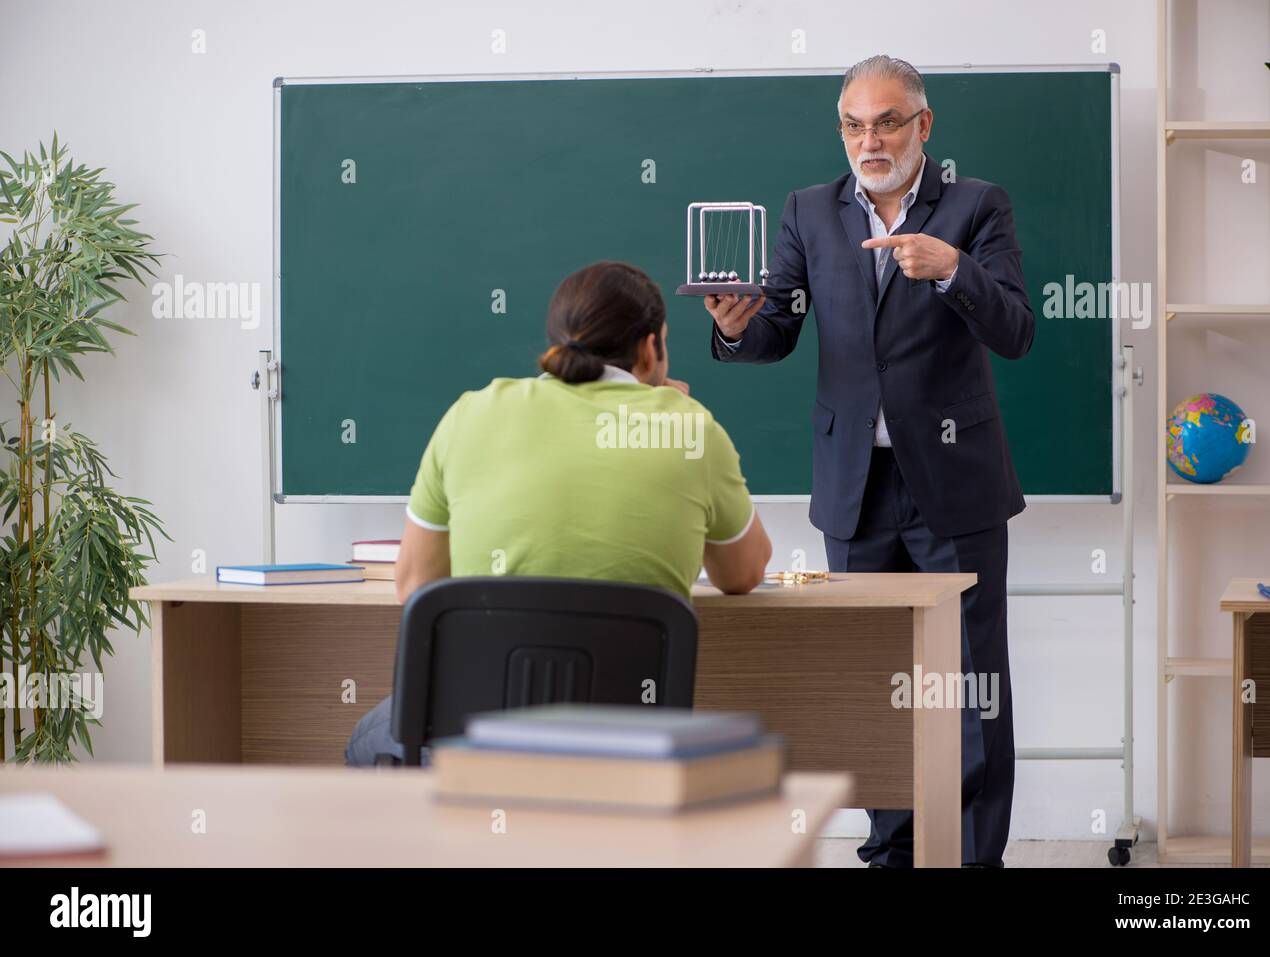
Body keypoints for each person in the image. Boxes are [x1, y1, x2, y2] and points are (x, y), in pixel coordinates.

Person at [706, 55, 1034, 867]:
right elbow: (776, 328)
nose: (869, 139)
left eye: (887, 121)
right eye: (854, 124)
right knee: (875, 680)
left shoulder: (974, 205)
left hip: (955, 485)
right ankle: (893, 851)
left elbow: (1016, 330)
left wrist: (955, 270)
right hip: (854, 486)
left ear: (924, 125)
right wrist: (739, 325)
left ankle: (970, 856)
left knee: (970, 688)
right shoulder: (809, 210)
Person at [346, 260, 772, 766]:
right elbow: (743, 574)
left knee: (367, 737)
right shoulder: (689, 427)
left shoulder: (471, 413)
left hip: (479, 731)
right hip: (631, 739)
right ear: (650, 347)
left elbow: (414, 584)